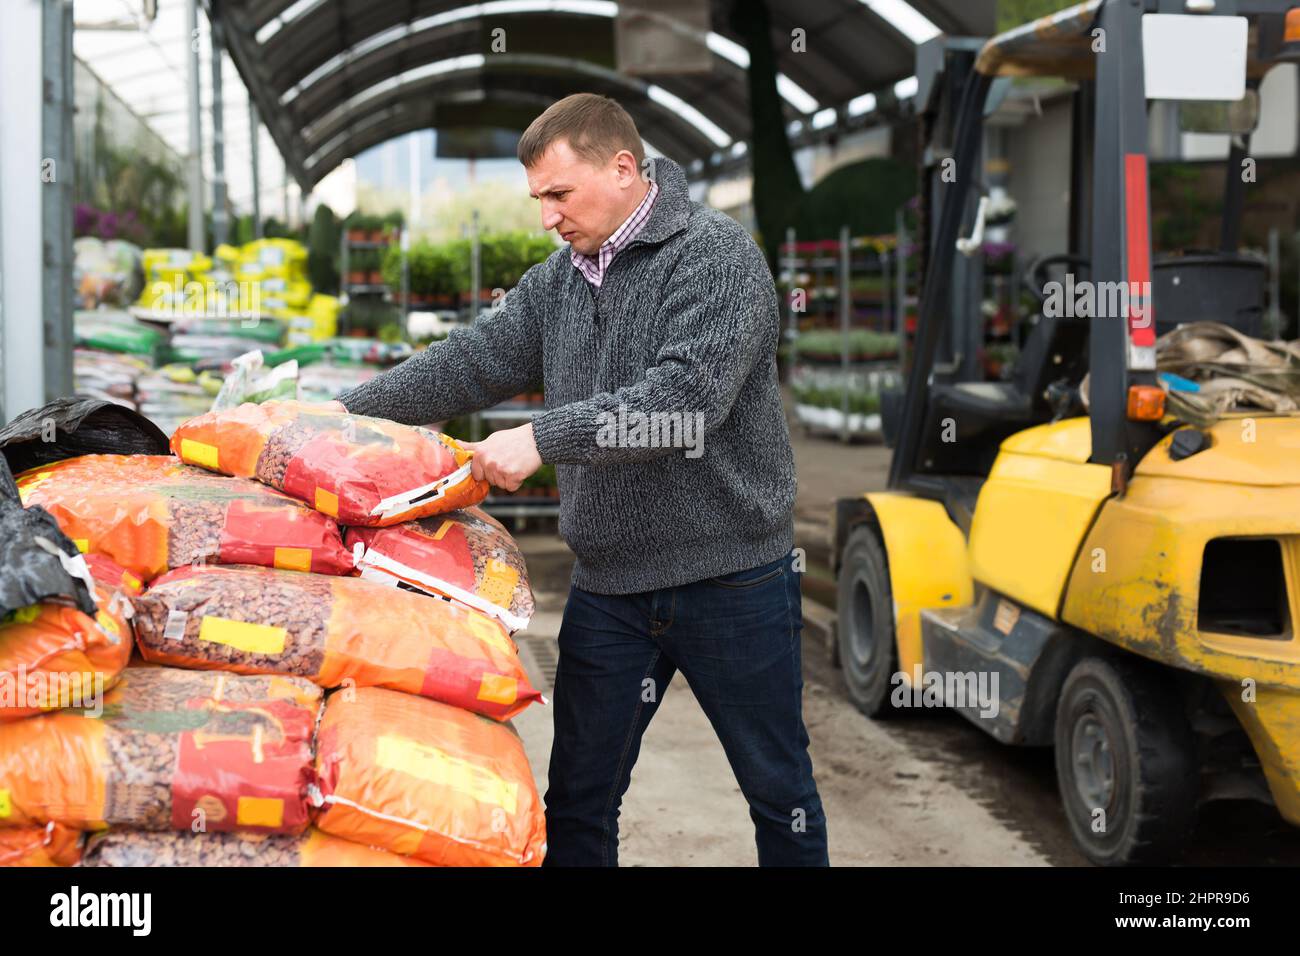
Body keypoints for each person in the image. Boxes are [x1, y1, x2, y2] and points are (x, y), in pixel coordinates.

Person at [336, 92, 828, 866]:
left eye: (558, 194)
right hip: (611, 586)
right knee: (578, 800)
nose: (546, 217)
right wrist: (335, 417)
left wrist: (543, 435)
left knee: (778, 791)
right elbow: (468, 362)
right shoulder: (559, 280)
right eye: (538, 198)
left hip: (731, 577)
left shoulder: (718, 258)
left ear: (624, 168)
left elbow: (685, 403)